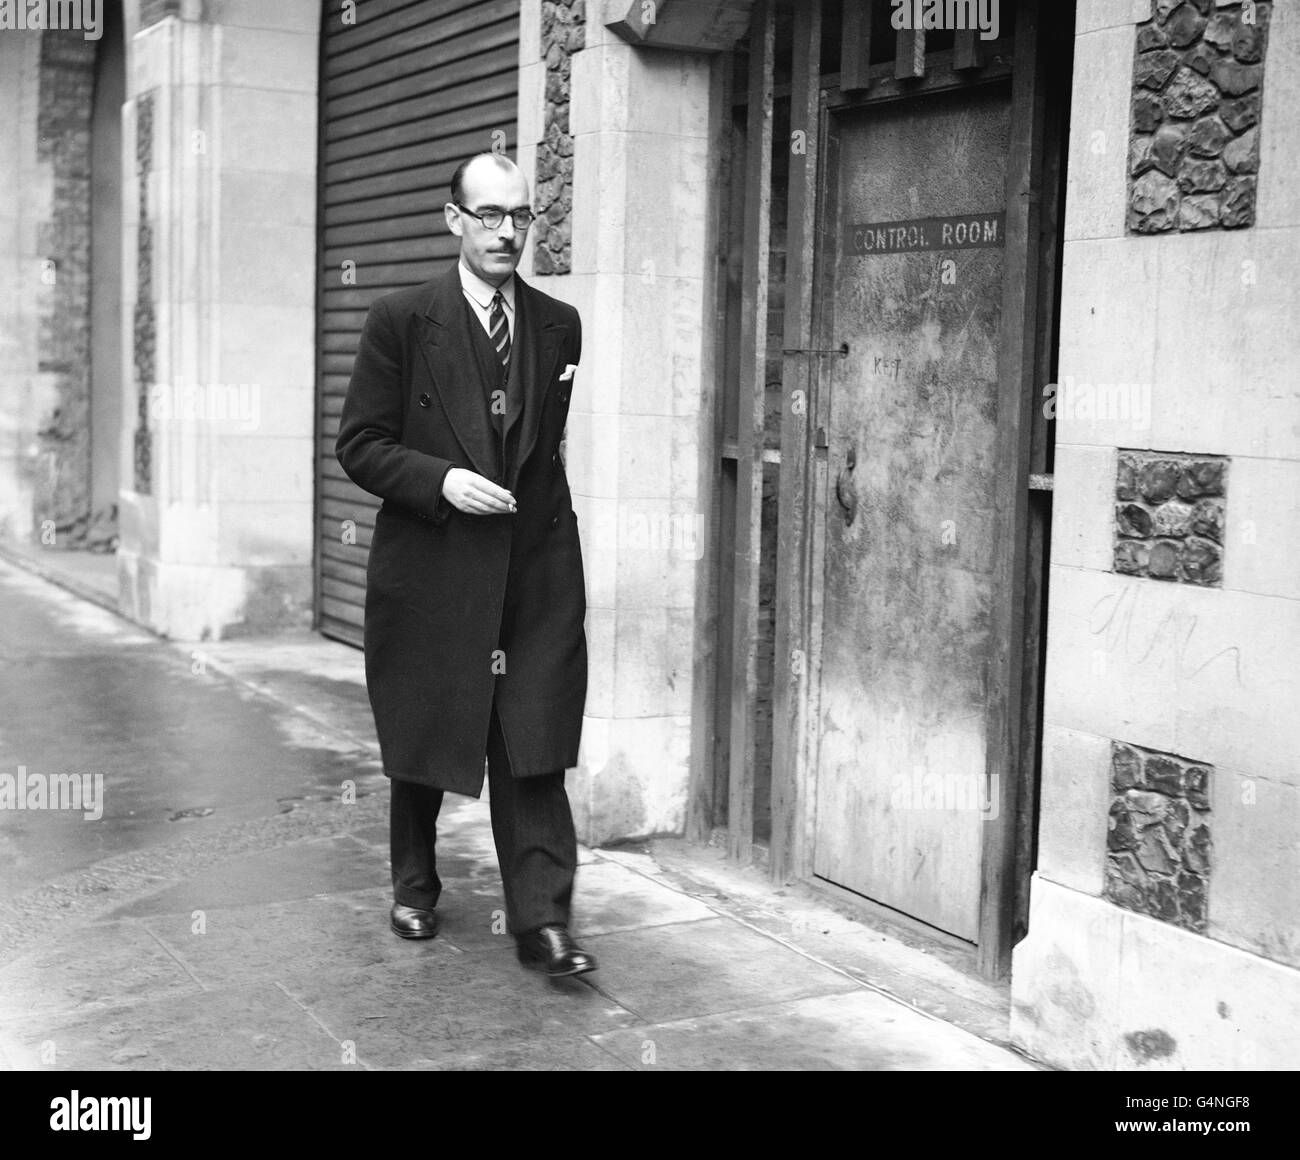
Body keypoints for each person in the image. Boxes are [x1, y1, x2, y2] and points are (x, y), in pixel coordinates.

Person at [335, 152, 594, 977]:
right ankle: (414, 883)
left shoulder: (560, 324)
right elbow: (360, 446)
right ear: (454, 220)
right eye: (488, 215)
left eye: (519, 216)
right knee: (426, 730)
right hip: (434, 565)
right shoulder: (401, 319)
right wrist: (441, 479)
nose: (506, 232)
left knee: (534, 738)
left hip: (533, 569)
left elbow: (540, 448)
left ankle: (542, 920)